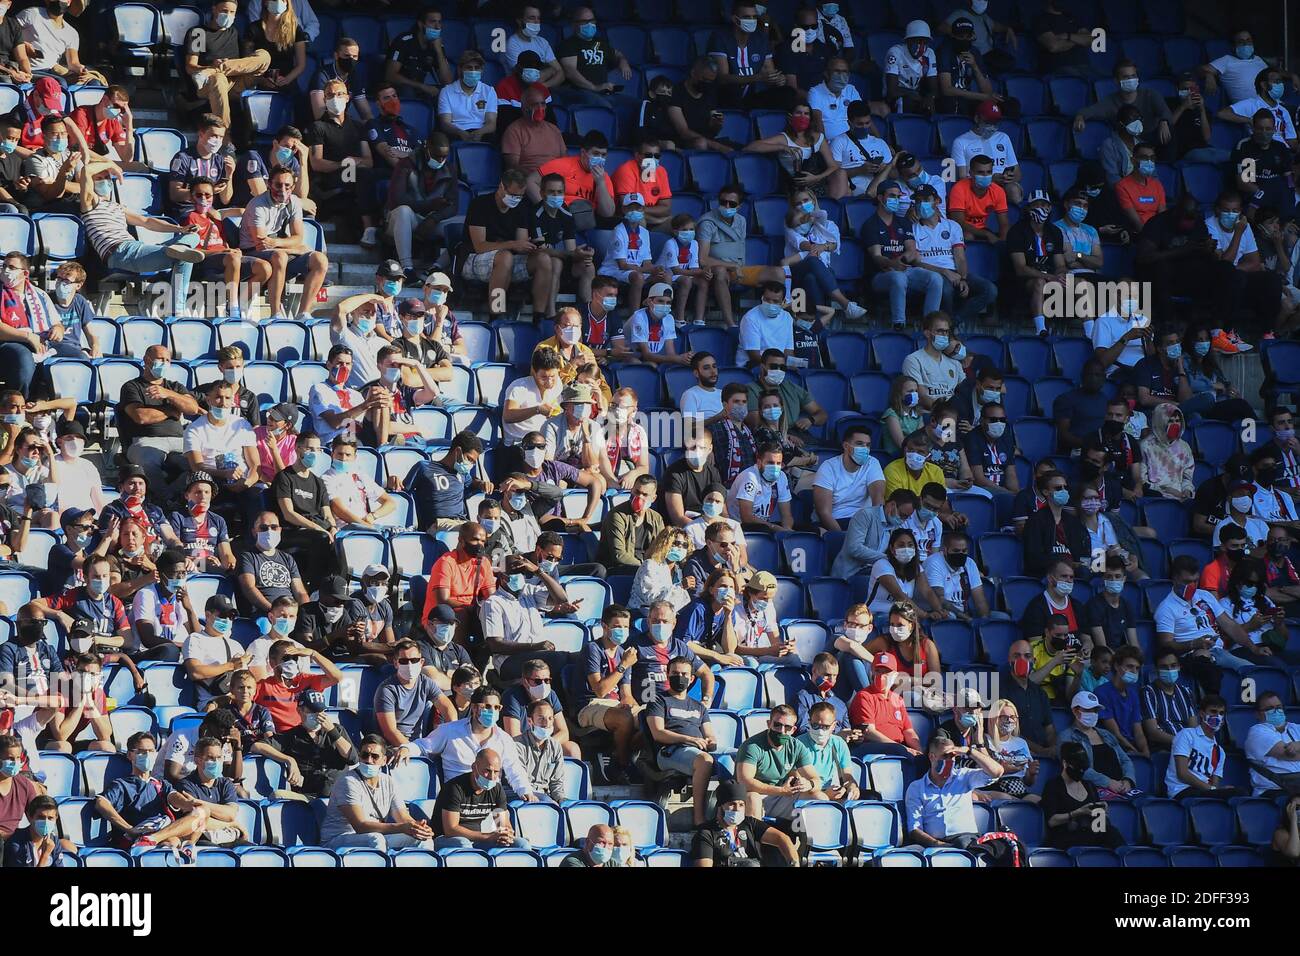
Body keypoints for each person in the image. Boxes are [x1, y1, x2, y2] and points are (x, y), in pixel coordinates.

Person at [394, 687, 540, 801]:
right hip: (457, 798)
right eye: (487, 706)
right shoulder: (449, 731)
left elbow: (515, 769)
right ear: (475, 708)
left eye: (497, 708)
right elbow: (423, 746)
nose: (492, 711)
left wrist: (525, 791)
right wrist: (406, 748)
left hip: (490, 800)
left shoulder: (504, 739)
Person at [238, 165, 330, 323]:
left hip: (278, 247)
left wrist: (277, 242)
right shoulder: (257, 205)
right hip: (253, 252)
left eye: (287, 185)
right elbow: (260, 243)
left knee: (320, 260)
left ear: (293, 186)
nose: (283, 189)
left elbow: (298, 237)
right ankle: (275, 313)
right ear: (269, 184)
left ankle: (304, 313)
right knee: (279, 256)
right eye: (278, 185)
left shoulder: (293, 201)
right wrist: (296, 248)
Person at [93, 732, 210, 852]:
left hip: (160, 833)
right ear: (130, 755)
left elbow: (174, 797)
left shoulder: (161, 784)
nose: (147, 755)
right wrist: (129, 829)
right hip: (135, 837)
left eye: (151, 751)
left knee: (201, 812)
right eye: (142, 752)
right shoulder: (122, 784)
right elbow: (101, 803)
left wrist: (188, 803)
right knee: (172, 841)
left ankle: (182, 845)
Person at [319, 734, 435, 851]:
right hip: (338, 838)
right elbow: (360, 826)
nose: (369, 760)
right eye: (365, 755)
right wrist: (402, 827)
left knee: (422, 839)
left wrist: (417, 827)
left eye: (374, 756)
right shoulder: (348, 781)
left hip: (375, 835)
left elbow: (403, 817)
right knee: (375, 839)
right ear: (359, 757)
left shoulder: (389, 781)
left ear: (384, 760)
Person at [644, 654, 717, 826]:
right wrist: (689, 739)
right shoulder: (657, 700)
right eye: (675, 673)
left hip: (697, 749)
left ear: (692, 678)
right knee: (705, 760)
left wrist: (711, 741)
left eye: (684, 674)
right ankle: (699, 819)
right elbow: (658, 733)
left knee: (737, 756)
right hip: (670, 752)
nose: (680, 677)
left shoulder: (699, 706)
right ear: (668, 675)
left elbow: (709, 733)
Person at [863, 179, 943, 330]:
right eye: (892, 196)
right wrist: (893, 264)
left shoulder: (903, 222)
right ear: (880, 198)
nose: (896, 200)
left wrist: (900, 261)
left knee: (935, 278)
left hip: (905, 269)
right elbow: (876, 257)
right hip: (880, 275)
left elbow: (912, 251)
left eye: (898, 197)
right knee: (898, 277)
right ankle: (899, 324)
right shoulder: (870, 225)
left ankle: (930, 326)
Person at [904, 731, 1006, 848]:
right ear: (932, 756)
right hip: (935, 844)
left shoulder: (963, 777)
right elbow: (914, 828)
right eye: (945, 756)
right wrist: (937, 844)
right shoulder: (916, 787)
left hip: (967, 840)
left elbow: (997, 772)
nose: (950, 760)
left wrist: (969, 751)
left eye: (953, 756)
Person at [575, 605, 639, 780]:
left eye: (626, 627)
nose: (622, 631)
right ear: (604, 626)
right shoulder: (593, 649)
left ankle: (624, 758)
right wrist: (623, 665)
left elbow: (626, 694)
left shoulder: (622, 653)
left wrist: (634, 707)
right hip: (590, 704)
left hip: (615, 705)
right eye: (618, 626)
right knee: (624, 718)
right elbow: (600, 690)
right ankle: (622, 765)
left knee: (649, 718)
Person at [734, 705, 824, 821]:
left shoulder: (796, 747)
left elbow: (816, 780)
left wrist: (808, 784)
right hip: (755, 796)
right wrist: (781, 791)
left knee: (819, 797)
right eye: (777, 725)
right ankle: (753, 837)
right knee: (753, 798)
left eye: (787, 727)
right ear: (769, 723)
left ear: (793, 730)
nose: (782, 731)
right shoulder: (752, 746)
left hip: (781, 797)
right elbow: (745, 782)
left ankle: (813, 838)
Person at [691, 778, 799, 867]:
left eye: (741, 804)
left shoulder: (749, 824)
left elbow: (782, 839)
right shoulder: (706, 833)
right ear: (720, 806)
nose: (737, 809)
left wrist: (794, 863)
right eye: (732, 804)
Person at [1041, 741, 1124, 850]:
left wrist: (1101, 813)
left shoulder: (1089, 785)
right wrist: (1077, 813)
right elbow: (1051, 821)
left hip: (1090, 832)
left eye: (1083, 769)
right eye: (1077, 768)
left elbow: (1099, 826)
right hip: (1066, 836)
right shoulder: (1053, 786)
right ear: (1065, 763)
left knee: (1112, 833)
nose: (1080, 772)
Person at [1057, 691, 1137, 798]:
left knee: (1144, 803)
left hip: (1121, 787)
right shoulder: (1066, 737)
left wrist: (1128, 780)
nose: (1093, 714)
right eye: (1088, 710)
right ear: (1075, 711)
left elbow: (1125, 760)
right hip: (1092, 789)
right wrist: (1108, 782)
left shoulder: (1106, 734)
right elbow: (1077, 768)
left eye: (1095, 710)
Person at [1166, 695, 1246, 800]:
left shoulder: (1219, 752)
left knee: (1239, 793)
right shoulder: (1186, 735)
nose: (1217, 716)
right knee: (1239, 793)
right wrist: (1213, 790)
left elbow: (1215, 784)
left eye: (1221, 713)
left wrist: (1217, 790)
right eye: (1213, 712)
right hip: (1181, 791)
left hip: (1204, 792)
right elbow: (1182, 773)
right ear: (1202, 714)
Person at [1139, 649, 1199, 752]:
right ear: (1156, 669)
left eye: (1173, 665)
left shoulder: (1186, 692)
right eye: (1164, 667)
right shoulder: (1148, 692)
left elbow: (1193, 727)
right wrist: (1181, 742)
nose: (1169, 670)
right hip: (1165, 748)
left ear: (1179, 667)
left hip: (1189, 747)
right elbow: (1152, 732)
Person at [509, 698, 566, 803]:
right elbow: (520, 781)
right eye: (541, 718)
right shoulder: (517, 745)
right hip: (521, 796)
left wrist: (561, 800)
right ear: (530, 721)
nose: (546, 723)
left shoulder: (555, 746)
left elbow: (556, 783)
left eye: (550, 718)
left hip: (545, 796)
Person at [1244, 691, 1300, 797]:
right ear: (1257, 714)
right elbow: (1289, 755)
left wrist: (1298, 744)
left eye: (1279, 707)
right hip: (1274, 791)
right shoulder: (1257, 732)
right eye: (1269, 709)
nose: (1276, 711)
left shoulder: (1295, 728)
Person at [3, 794, 74, 867]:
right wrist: (45, 855)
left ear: (56, 818)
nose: (46, 822)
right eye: (41, 817)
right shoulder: (16, 844)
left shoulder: (54, 841)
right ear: (30, 817)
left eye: (50, 818)